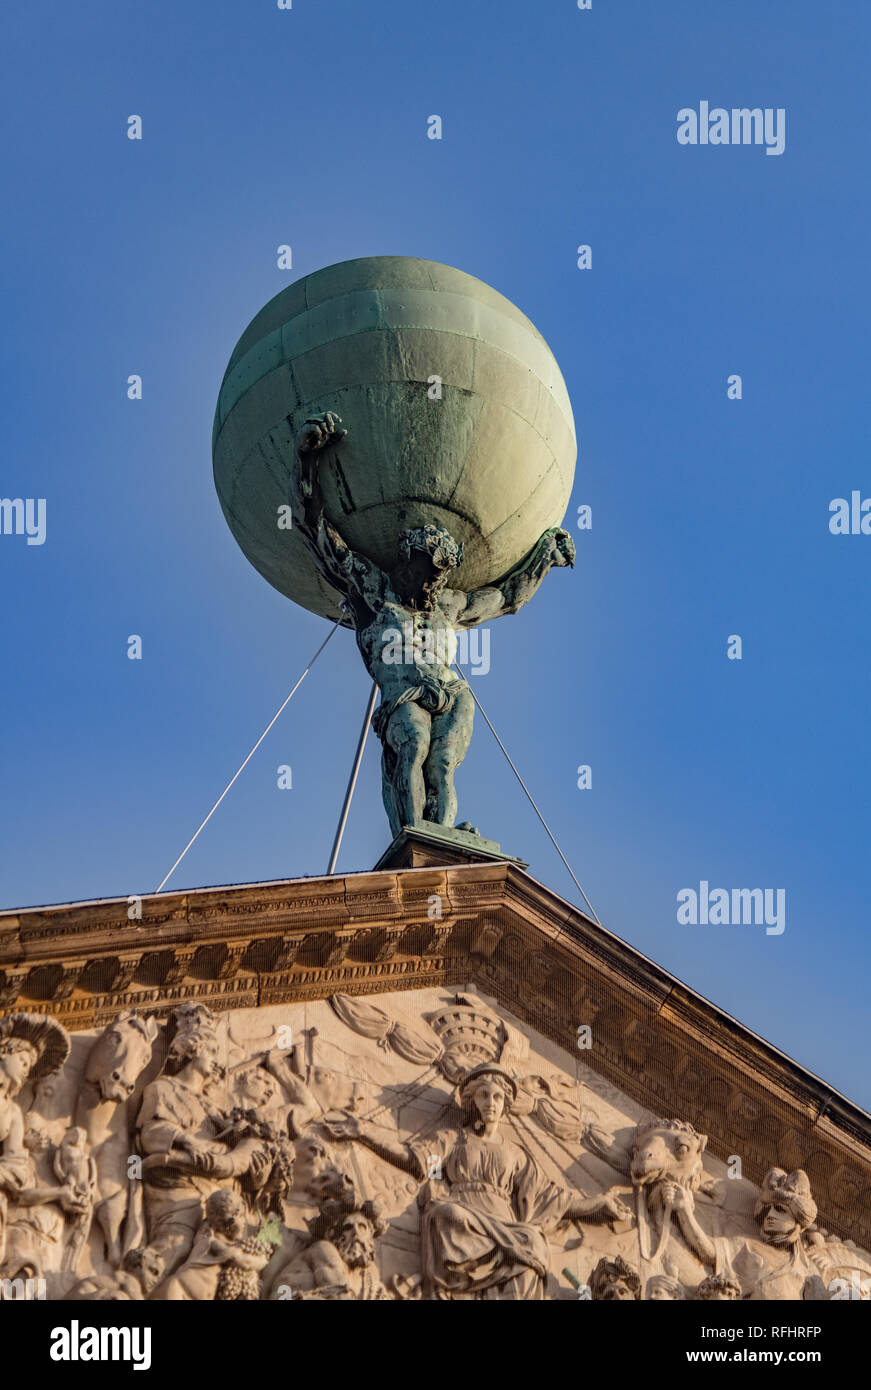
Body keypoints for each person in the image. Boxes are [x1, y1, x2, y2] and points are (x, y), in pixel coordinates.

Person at [290, 413, 575, 835]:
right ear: (404, 563)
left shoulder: (449, 606)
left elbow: (509, 597)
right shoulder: (374, 592)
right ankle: (414, 839)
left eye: (431, 576)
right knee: (414, 747)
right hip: (402, 692)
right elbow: (318, 533)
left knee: (442, 765)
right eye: (416, 571)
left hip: (452, 692)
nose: (421, 582)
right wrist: (305, 459)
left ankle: (440, 844)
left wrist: (544, 558)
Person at [323, 1062, 630, 1300]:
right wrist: (364, 1132)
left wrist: (599, 1203)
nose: (491, 1102)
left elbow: (554, 1199)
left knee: (534, 1242)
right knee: (445, 1213)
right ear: (472, 1100)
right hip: (464, 1216)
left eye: (497, 1096)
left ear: (506, 1103)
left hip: (505, 1224)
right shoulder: (454, 1139)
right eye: (484, 1094)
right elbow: (414, 1159)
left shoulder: (515, 1154)